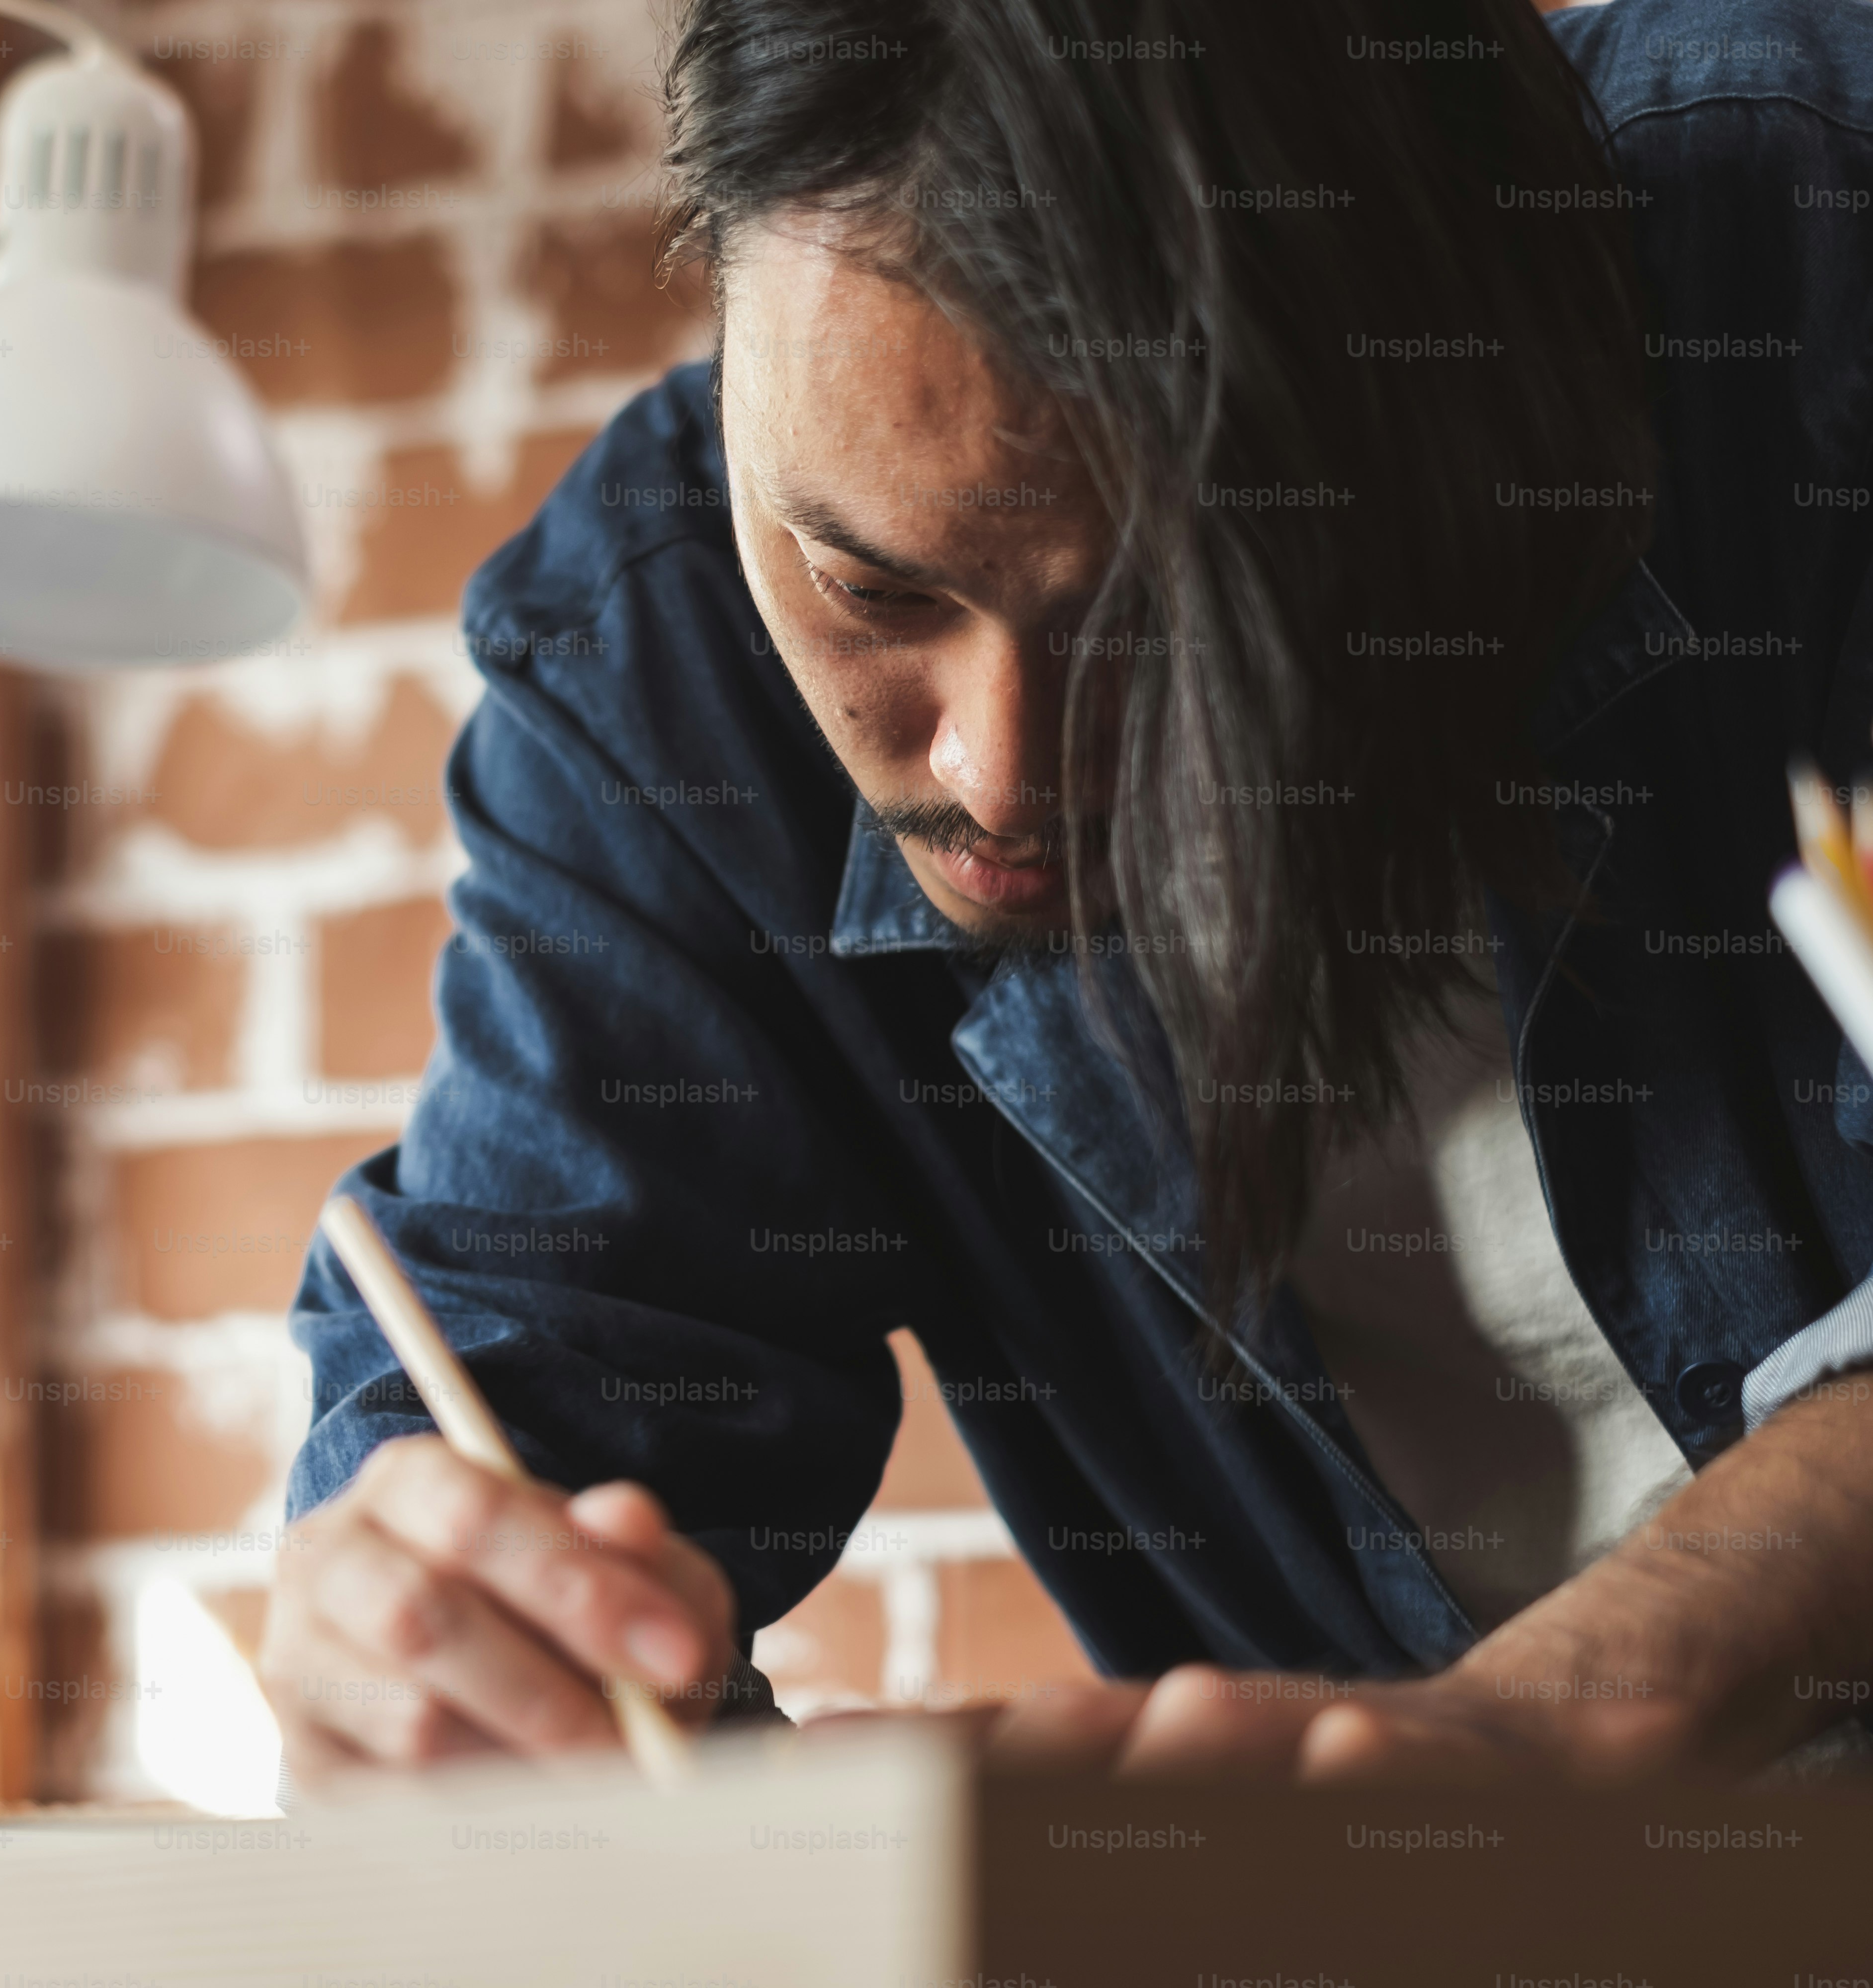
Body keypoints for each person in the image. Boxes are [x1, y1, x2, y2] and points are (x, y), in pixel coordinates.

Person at [259, 0, 1873, 1784]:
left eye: (1153, 619)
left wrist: (1554, 1727)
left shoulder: (1818, 267)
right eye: (870, 592)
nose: (998, 780)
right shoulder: (665, 686)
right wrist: (427, 1632)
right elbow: (528, 1412)